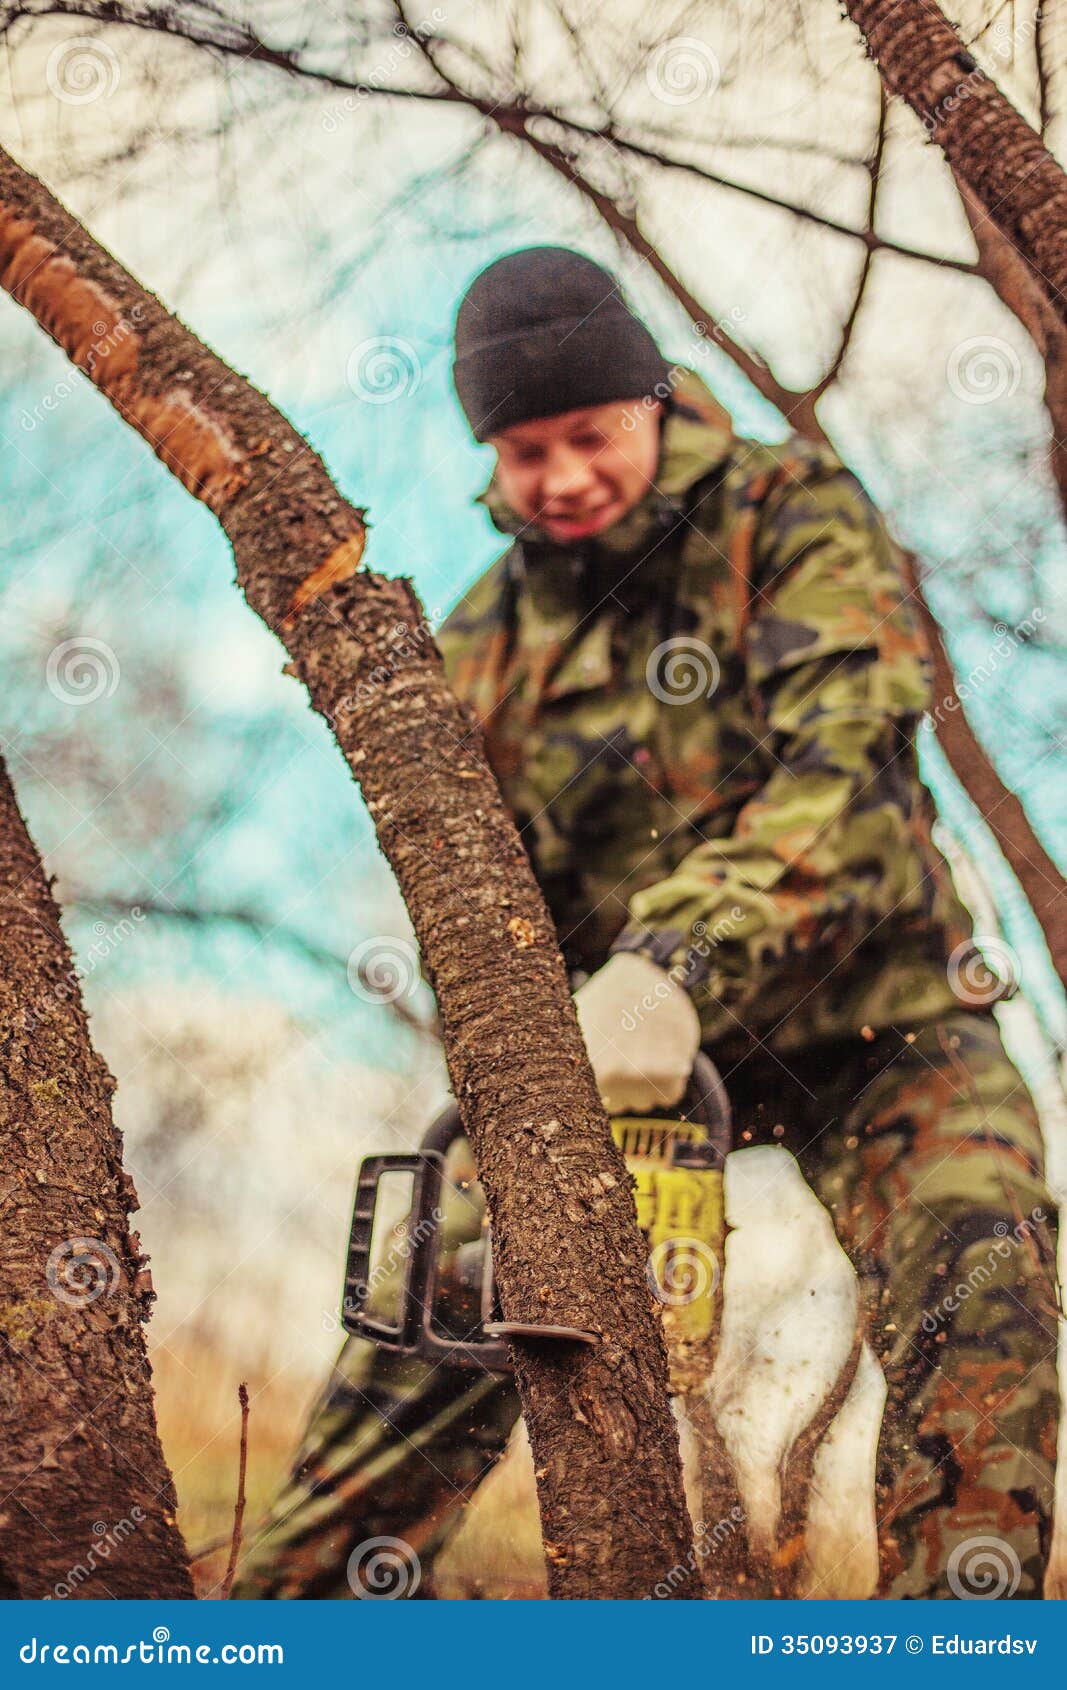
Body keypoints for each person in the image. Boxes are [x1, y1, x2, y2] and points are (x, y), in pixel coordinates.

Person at [232, 247, 1060, 1600]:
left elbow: (847, 775)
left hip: (889, 1024)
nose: (559, 475)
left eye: (588, 433)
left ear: (653, 405)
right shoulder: (486, 641)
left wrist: (677, 954)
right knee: (447, 1292)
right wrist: (542, 1059)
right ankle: (279, 1621)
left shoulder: (790, 510)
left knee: (983, 1258)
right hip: (628, 1081)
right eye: (521, 446)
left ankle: (958, 1645)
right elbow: (483, 918)